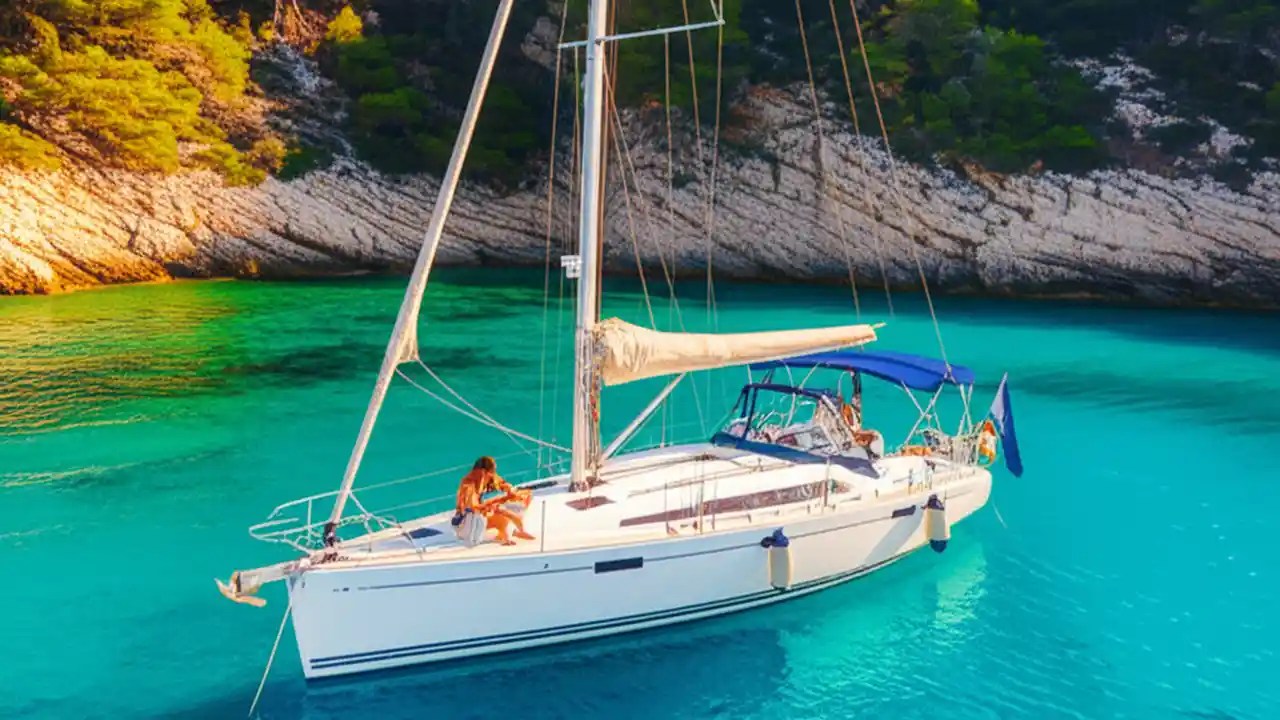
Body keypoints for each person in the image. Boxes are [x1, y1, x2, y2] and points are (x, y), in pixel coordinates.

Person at [453, 456, 535, 546]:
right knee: (502, 514)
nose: (493, 474)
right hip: (467, 522)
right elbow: (473, 508)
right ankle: (506, 535)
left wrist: (510, 490)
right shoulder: (468, 485)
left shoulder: (489, 478)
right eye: (492, 471)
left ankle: (513, 529)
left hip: (482, 512)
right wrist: (495, 505)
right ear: (483, 471)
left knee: (525, 495)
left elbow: (502, 484)